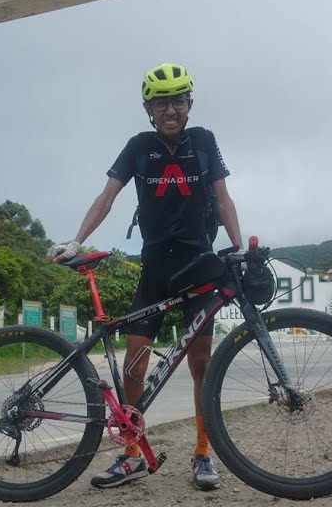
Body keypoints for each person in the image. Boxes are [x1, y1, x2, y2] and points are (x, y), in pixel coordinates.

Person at [47, 62, 243, 492]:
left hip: (199, 266)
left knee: (202, 364)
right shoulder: (138, 146)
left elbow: (223, 199)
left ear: (189, 103)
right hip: (155, 265)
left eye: (177, 100)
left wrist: (239, 246)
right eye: (160, 102)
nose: (170, 109)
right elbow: (108, 196)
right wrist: (77, 241)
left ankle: (203, 453)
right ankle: (132, 455)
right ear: (148, 109)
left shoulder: (204, 142)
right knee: (134, 361)